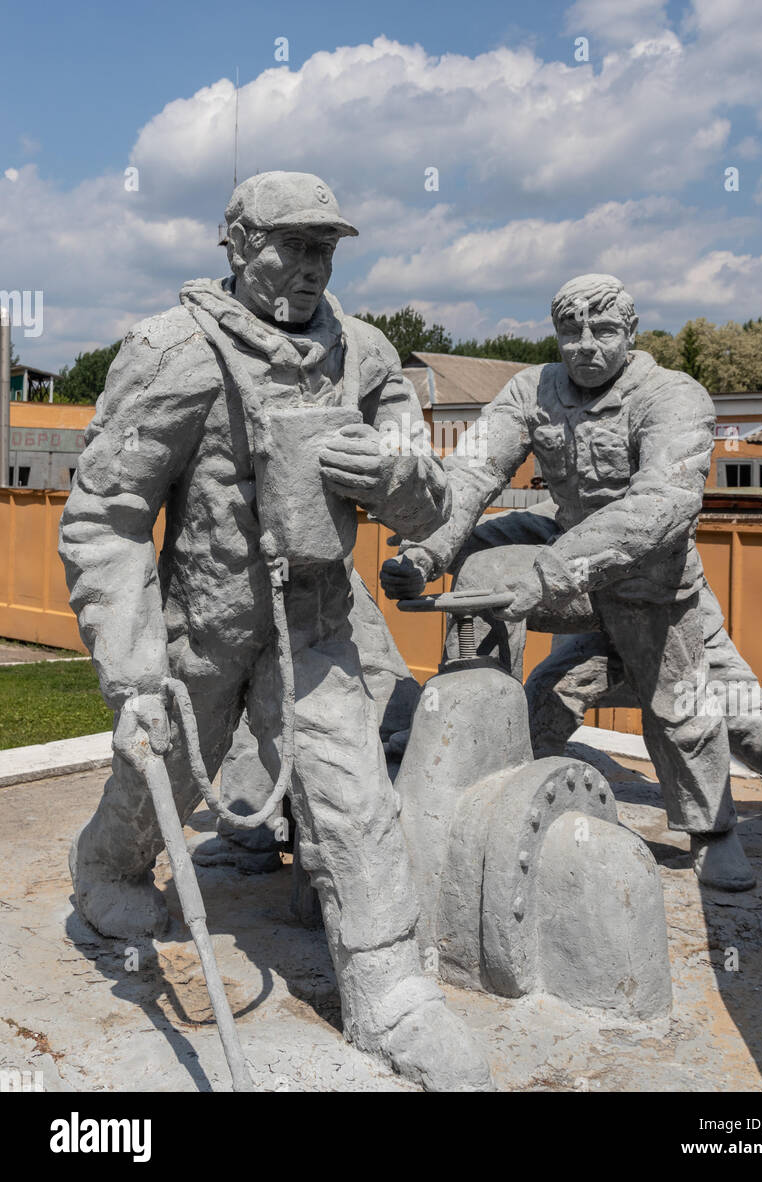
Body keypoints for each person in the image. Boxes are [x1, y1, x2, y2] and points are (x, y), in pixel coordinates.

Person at [59, 171, 492, 1092]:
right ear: (235, 241)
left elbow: (430, 497)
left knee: (353, 799)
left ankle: (390, 988)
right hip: (200, 633)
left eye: (324, 250)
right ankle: (105, 871)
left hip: (319, 627)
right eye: (288, 247)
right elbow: (108, 516)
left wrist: (391, 480)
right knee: (165, 774)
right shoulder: (174, 351)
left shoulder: (366, 354)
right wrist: (135, 673)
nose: (309, 269)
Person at [382, 272, 756, 891]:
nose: (585, 344)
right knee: (478, 557)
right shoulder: (533, 388)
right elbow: (472, 474)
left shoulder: (672, 396)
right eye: (570, 330)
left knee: (678, 707)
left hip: (649, 579)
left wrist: (550, 574)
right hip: (569, 548)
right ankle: (470, 718)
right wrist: (425, 553)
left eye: (604, 329)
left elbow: (660, 506)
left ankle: (714, 831)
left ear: (631, 334)